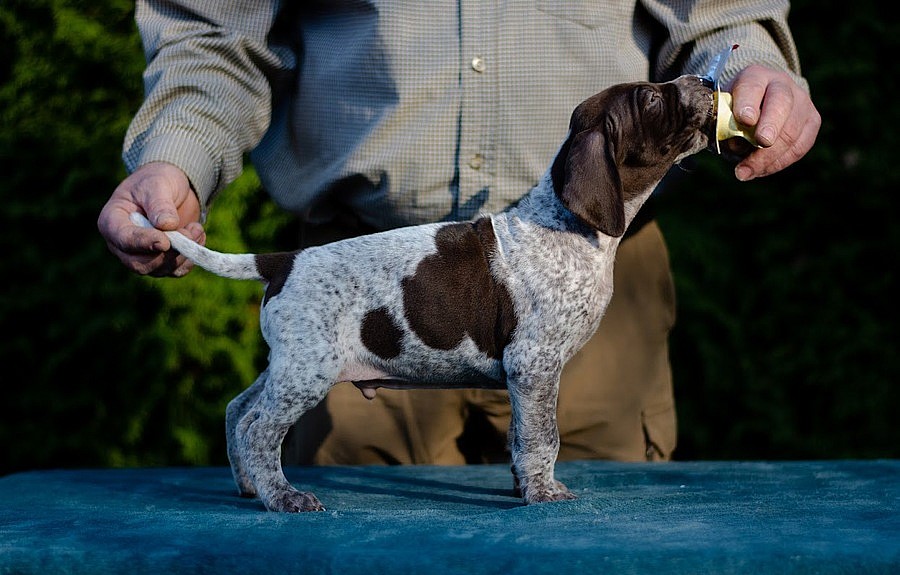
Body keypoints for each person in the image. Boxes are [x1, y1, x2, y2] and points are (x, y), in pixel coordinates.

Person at [98, 1, 820, 467]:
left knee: (601, 571)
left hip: (599, 285)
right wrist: (177, 160)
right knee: (359, 571)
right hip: (370, 285)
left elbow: (721, 17)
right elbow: (217, 32)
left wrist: (753, 74)